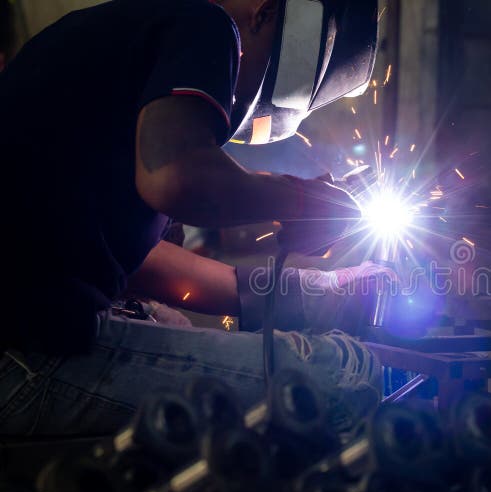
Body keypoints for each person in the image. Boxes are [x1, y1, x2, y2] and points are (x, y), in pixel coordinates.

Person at [0, 0, 385, 436]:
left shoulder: (121, 44)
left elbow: (132, 265)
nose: (251, 103)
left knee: (171, 321)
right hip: (25, 355)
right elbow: (174, 177)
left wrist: (306, 292)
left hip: (24, 335)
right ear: (265, 13)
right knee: (344, 375)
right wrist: (301, 199)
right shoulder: (206, 24)